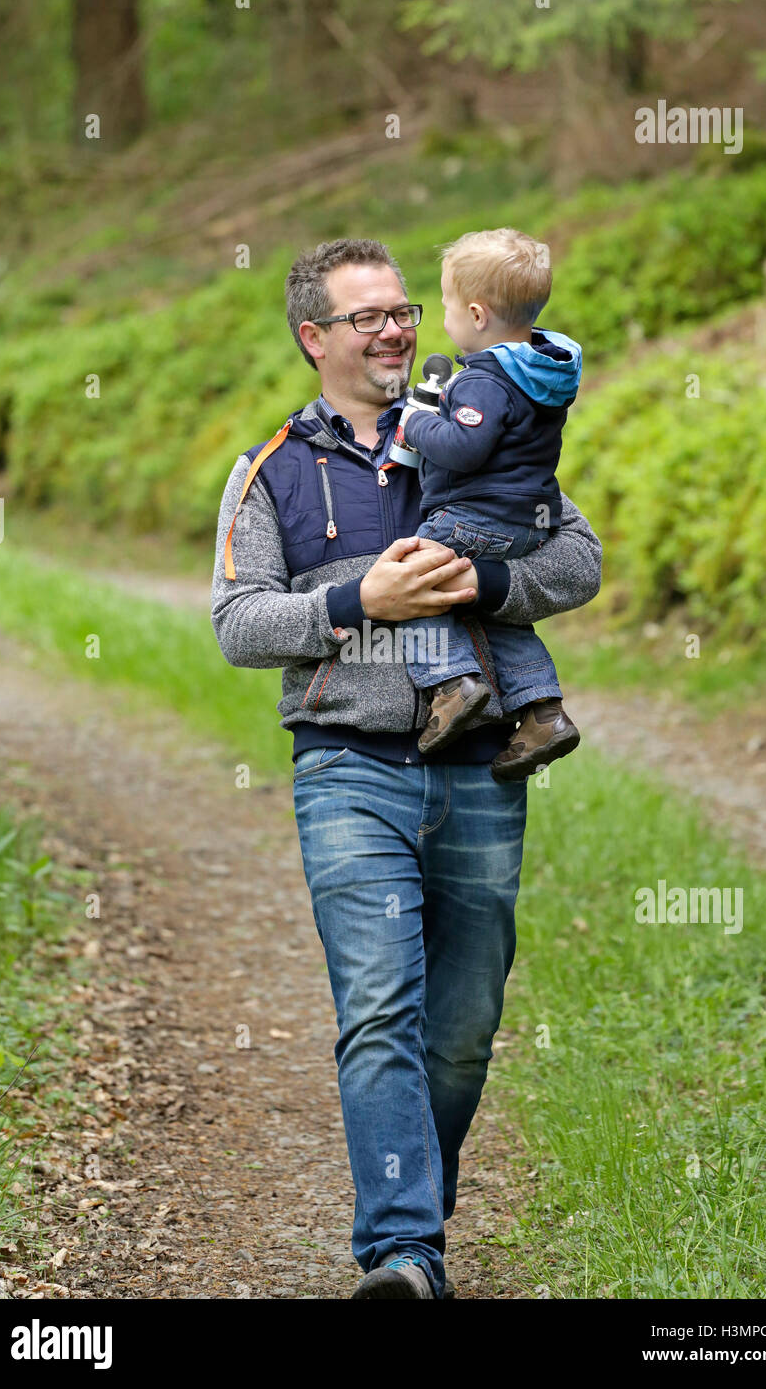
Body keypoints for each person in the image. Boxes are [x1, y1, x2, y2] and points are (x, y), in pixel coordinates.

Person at [210, 238, 602, 1300]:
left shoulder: (483, 421)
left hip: (479, 763)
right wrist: (356, 605)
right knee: (380, 1006)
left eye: (401, 311)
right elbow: (239, 625)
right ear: (313, 338)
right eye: (366, 317)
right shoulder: (274, 469)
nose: (394, 330)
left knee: (463, 1028)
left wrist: (477, 581)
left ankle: (414, 1199)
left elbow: (576, 560)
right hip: (346, 764)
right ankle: (401, 1252)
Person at [398, 227, 582, 782]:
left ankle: (453, 685)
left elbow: (466, 448)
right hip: (529, 523)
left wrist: (419, 425)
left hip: (477, 517)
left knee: (411, 584)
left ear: (477, 314)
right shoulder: (539, 372)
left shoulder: (485, 380)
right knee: (501, 621)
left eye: (448, 307)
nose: (445, 320)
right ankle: (543, 713)